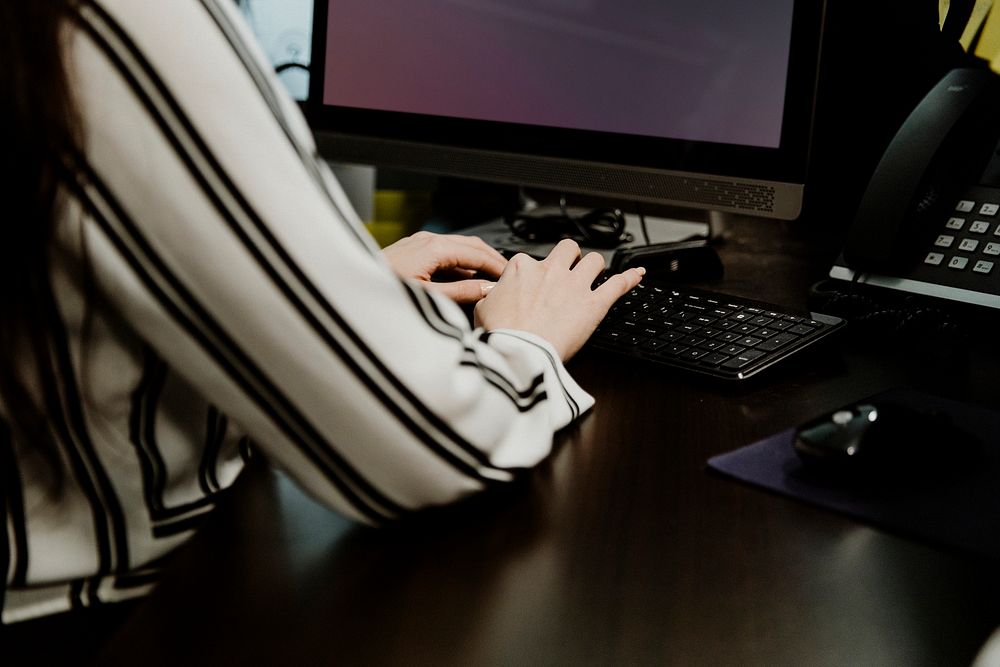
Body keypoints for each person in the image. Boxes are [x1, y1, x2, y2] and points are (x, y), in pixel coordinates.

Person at [0, 0, 643, 626]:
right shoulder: (127, 17)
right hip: (107, 615)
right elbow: (426, 445)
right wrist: (527, 340)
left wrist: (318, 295)